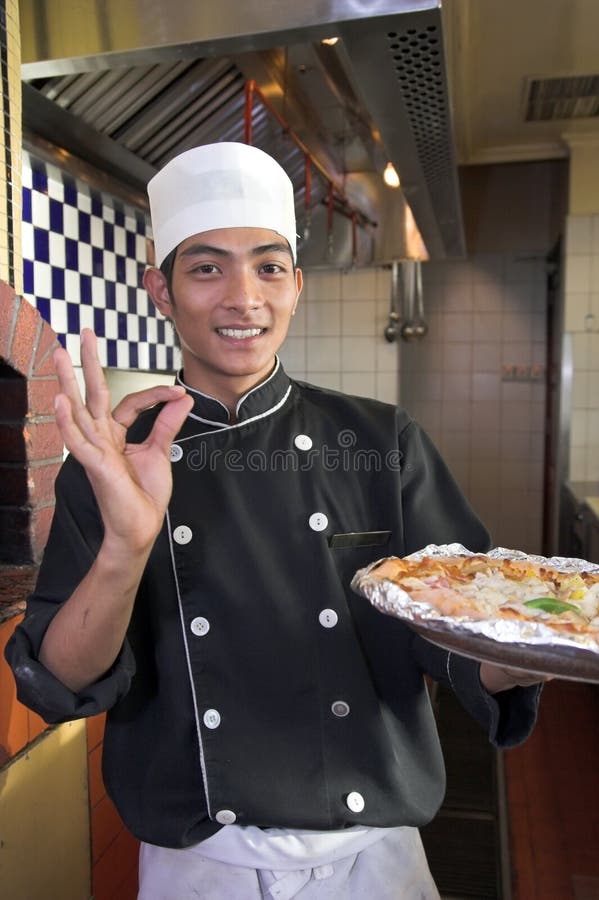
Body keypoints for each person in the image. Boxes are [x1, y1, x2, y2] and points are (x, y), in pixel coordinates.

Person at [7, 142, 544, 899]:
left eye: (267, 266)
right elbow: (58, 683)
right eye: (206, 268)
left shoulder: (381, 442)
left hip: (376, 856)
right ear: (159, 290)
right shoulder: (113, 465)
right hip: (200, 863)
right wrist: (128, 545)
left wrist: (542, 646)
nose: (243, 299)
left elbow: (462, 640)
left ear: (295, 284)